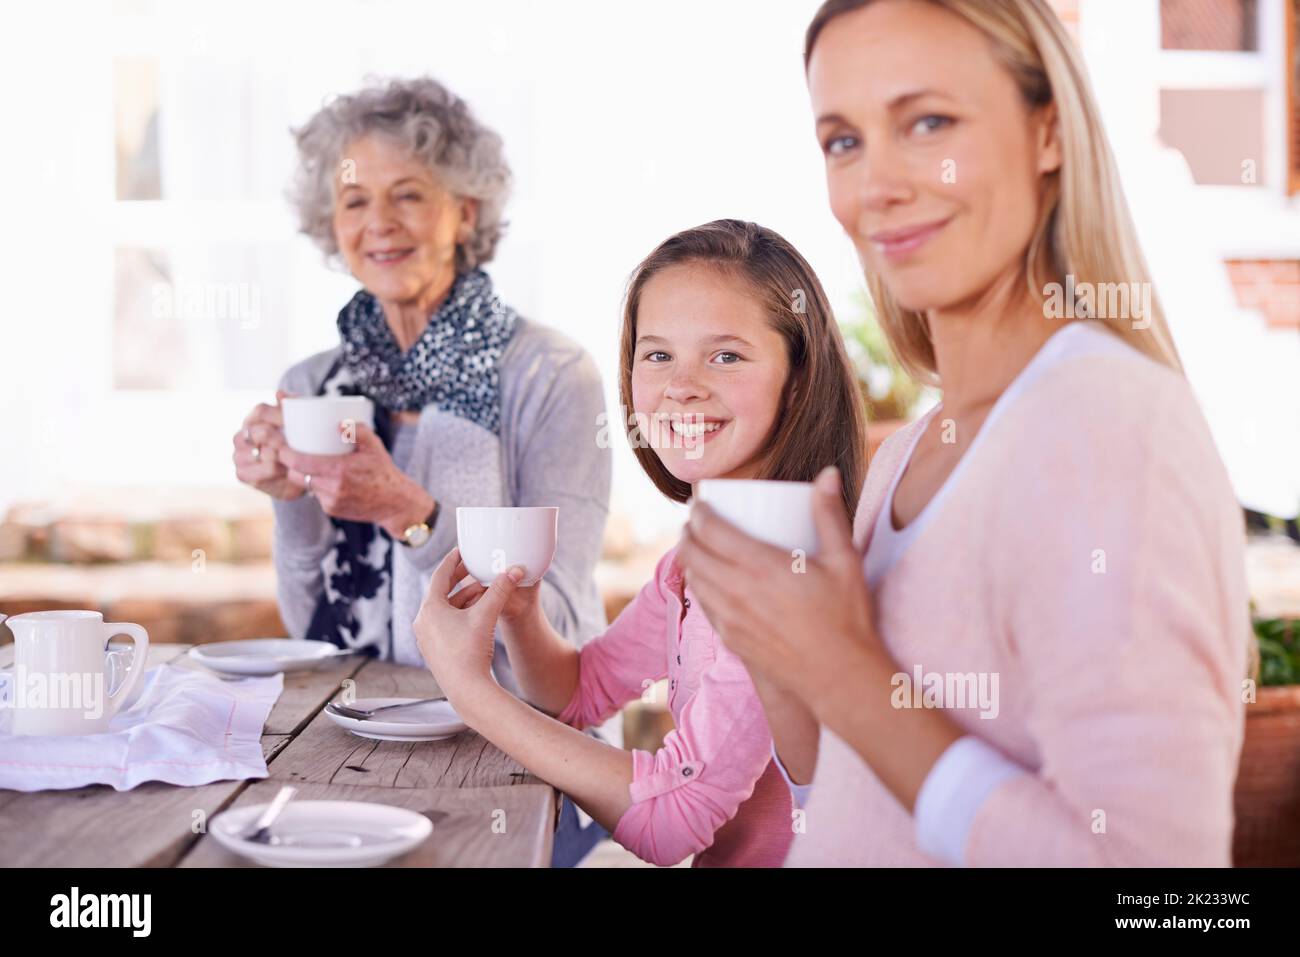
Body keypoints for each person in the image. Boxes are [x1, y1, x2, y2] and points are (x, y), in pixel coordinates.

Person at [678, 0, 1252, 866]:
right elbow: (843, 790)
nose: (876, 185)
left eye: (929, 121)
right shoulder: (911, 448)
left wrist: (846, 672)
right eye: (844, 140)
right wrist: (775, 639)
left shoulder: (1112, 431)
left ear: (1049, 133)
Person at [230, 76, 610, 864]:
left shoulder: (551, 376)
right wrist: (289, 501)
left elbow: (564, 627)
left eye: (409, 194)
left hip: (521, 756)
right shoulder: (313, 384)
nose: (380, 224)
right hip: (351, 747)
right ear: (330, 225)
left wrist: (416, 515)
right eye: (355, 201)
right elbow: (314, 630)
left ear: (465, 211)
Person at [414, 220, 866, 866]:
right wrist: (520, 612)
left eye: (726, 355)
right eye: (657, 354)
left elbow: (670, 818)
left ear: (797, 378)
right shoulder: (695, 560)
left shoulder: (790, 570)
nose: (682, 385)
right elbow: (577, 691)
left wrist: (471, 690)